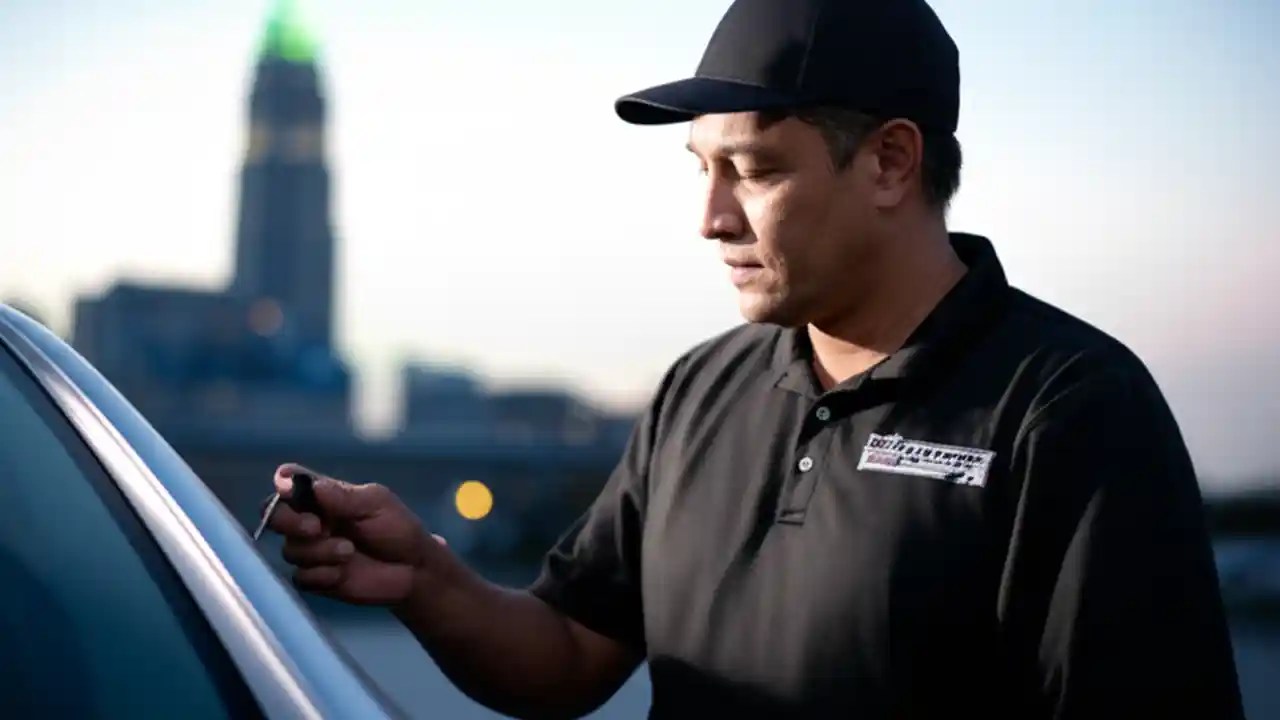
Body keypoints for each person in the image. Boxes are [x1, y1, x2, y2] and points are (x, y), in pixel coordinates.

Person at [264, 0, 1245, 717]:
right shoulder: (701, 389)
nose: (709, 219)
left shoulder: (1066, 408)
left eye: (755, 170)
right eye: (701, 169)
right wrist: (427, 583)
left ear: (890, 164)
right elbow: (568, 654)